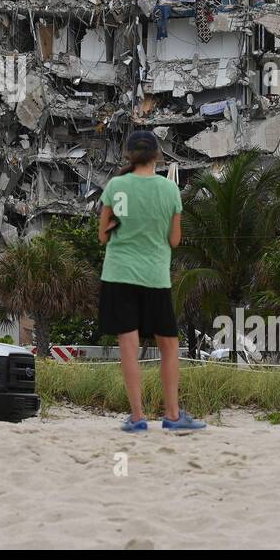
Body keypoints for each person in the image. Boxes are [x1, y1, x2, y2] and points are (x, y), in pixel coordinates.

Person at [98, 129, 206, 433]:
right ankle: (172, 415)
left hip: (118, 274)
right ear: (158, 155)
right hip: (154, 276)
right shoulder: (169, 189)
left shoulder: (116, 185)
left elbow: (103, 236)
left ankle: (137, 417)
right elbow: (174, 241)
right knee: (169, 345)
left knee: (128, 346)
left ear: (129, 156)